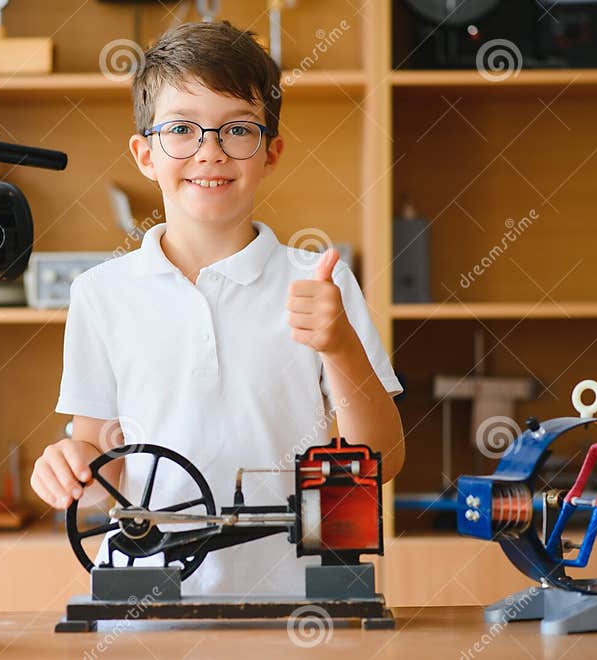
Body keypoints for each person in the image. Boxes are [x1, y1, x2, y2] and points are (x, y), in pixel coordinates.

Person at [31, 20, 404, 596]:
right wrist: (71, 467)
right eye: (181, 129)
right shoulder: (100, 294)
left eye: (237, 130)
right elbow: (106, 463)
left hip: (294, 604)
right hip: (144, 604)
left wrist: (340, 347)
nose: (210, 152)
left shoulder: (319, 285)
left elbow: (382, 464)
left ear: (271, 151)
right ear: (145, 154)